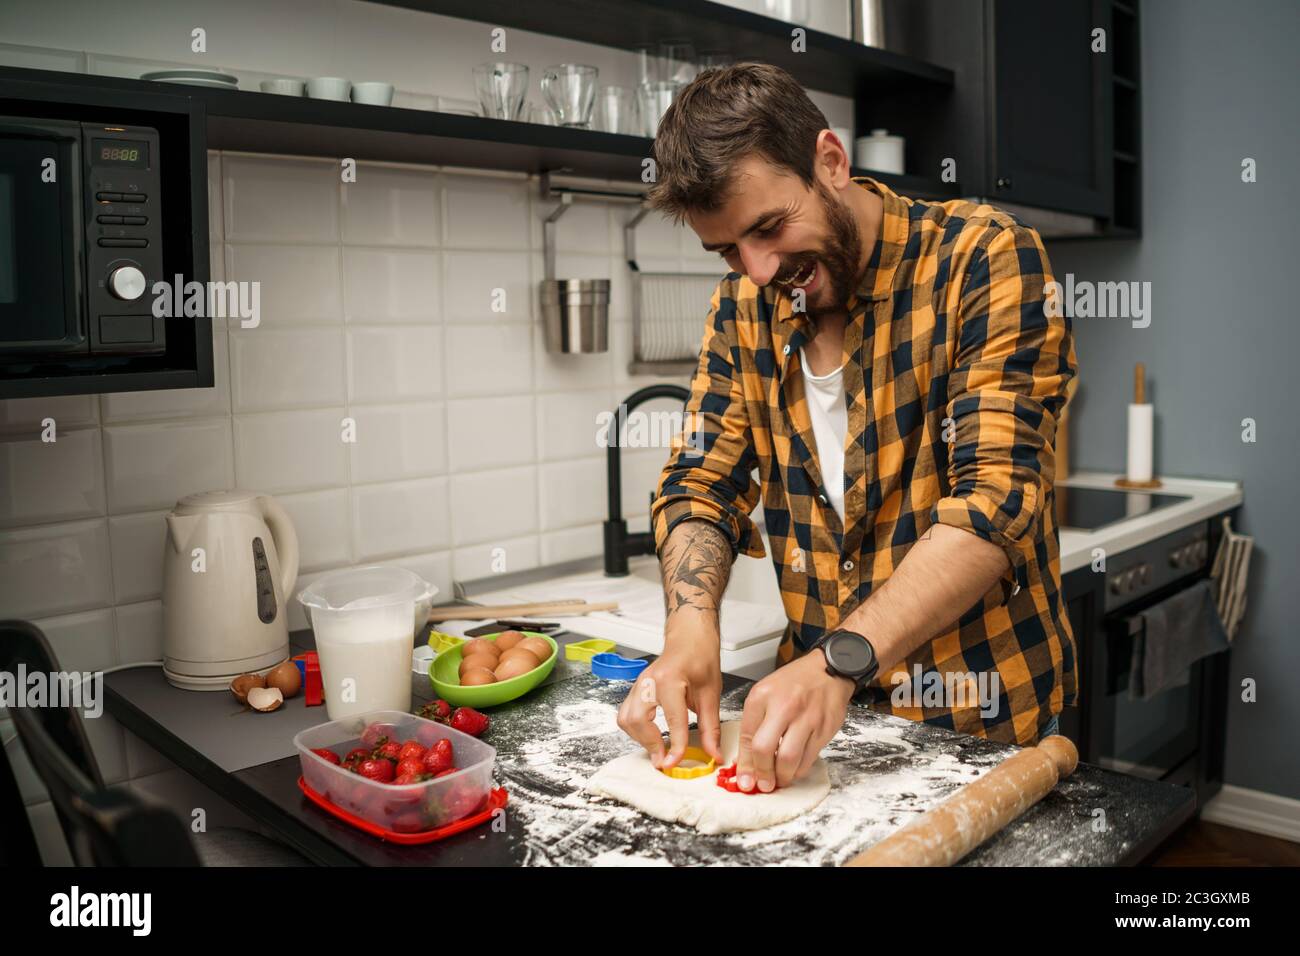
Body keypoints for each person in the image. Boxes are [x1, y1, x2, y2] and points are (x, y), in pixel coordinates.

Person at [616, 63, 1078, 795]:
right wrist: (690, 631)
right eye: (729, 249)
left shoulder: (983, 258)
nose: (759, 270)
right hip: (816, 734)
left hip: (979, 726)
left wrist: (837, 662)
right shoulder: (742, 308)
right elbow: (701, 482)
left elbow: (997, 501)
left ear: (831, 161)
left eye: (769, 227)